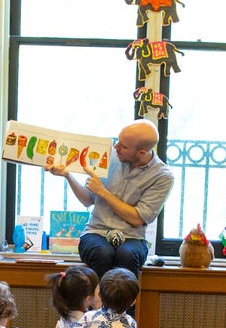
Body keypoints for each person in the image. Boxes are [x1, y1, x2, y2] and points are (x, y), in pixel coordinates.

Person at [44, 119, 174, 278]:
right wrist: (67, 175)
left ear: (142, 152)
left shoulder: (162, 176)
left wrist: (103, 192)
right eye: (118, 141)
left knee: (127, 256)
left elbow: (137, 219)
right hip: (96, 232)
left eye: (123, 146)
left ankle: (122, 303)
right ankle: (98, 302)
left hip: (132, 237)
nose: (115, 147)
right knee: (102, 253)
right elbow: (87, 200)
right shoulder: (107, 158)